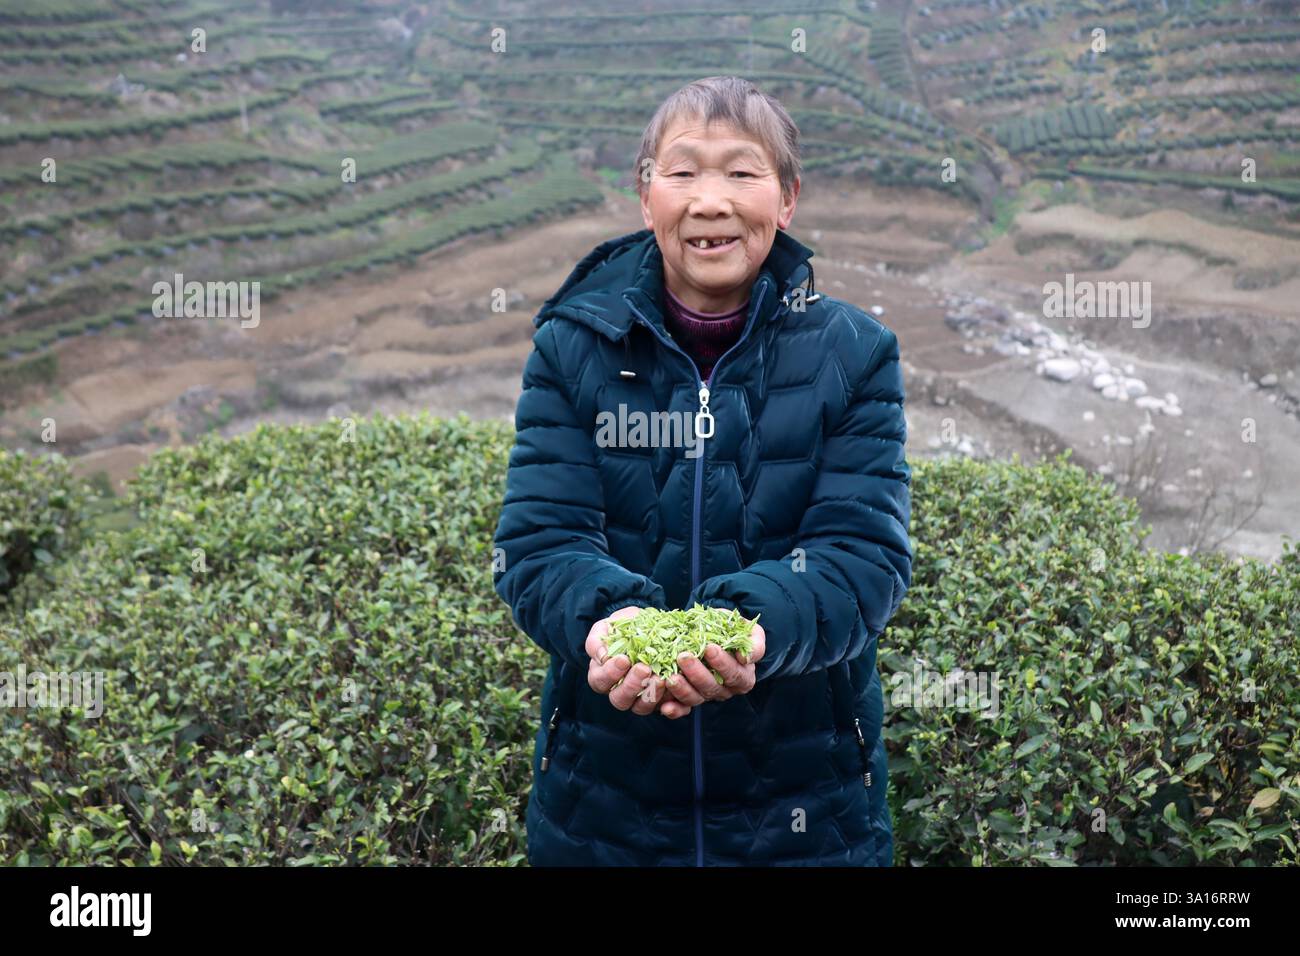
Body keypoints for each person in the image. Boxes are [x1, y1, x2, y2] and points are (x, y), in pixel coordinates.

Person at [492, 75, 912, 866]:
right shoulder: (571, 348)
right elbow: (540, 542)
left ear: (787, 199)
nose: (710, 200)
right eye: (682, 172)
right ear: (645, 194)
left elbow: (864, 557)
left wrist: (754, 630)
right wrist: (609, 621)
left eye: (742, 173)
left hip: (807, 810)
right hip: (603, 809)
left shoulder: (853, 354)